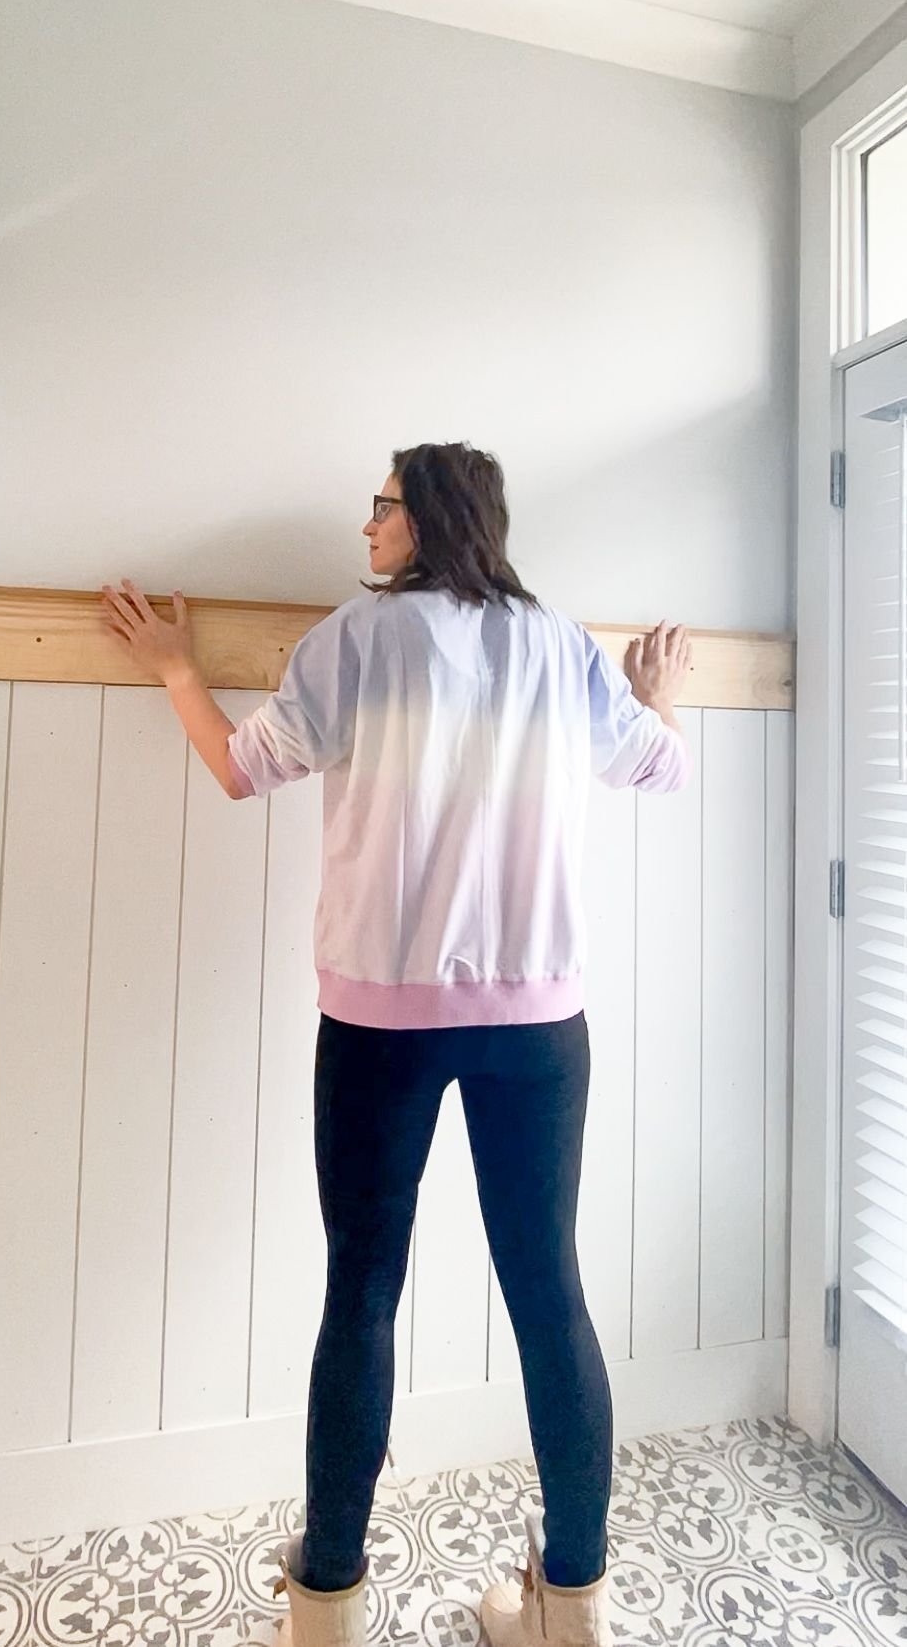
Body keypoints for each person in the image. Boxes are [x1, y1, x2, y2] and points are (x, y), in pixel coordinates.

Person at [101, 442, 691, 1647]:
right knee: (551, 1296)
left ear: (421, 520)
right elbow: (662, 764)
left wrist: (171, 666)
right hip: (540, 1027)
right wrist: (656, 688)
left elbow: (238, 770)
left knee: (362, 1291)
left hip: (380, 1022)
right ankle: (571, 1606)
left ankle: (324, 1607)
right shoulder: (561, 644)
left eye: (377, 509)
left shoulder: (350, 643)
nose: (364, 529)